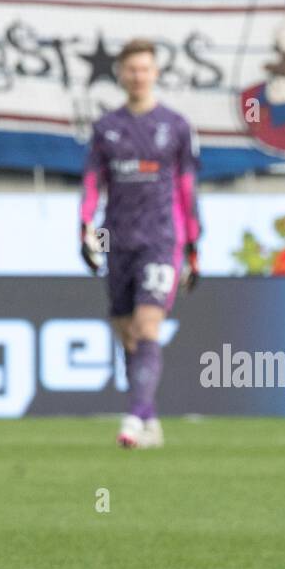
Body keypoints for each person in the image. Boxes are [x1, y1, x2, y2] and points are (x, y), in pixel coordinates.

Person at [80, 37, 201, 449]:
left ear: (155, 73)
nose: (138, 76)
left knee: (148, 325)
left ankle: (132, 418)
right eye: (131, 69)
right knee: (127, 333)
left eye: (144, 68)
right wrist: (86, 229)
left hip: (160, 240)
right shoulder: (106, 129)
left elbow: (187, 189)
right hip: (118, 240)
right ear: (120, 75)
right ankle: (149, 419)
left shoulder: (176, 127)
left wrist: (193, 246)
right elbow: (93, 185)